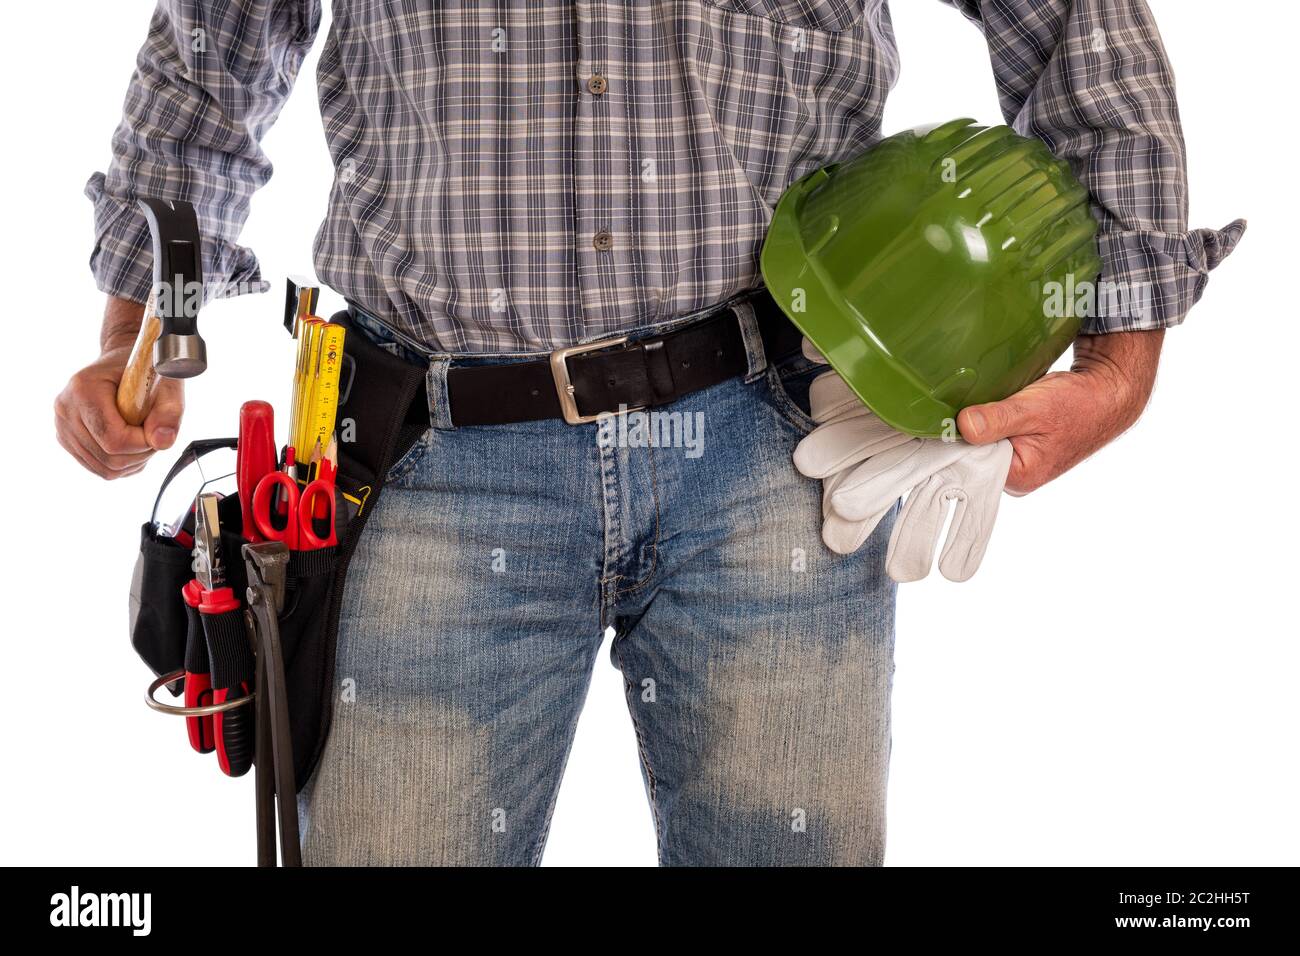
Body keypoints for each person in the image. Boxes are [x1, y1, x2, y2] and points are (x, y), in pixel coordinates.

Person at [55, 1, 1241, 865]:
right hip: (432, 444)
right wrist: (136, 333)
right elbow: (214, 48)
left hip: (783, 437)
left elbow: (1073, 18)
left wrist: (1117, 364)